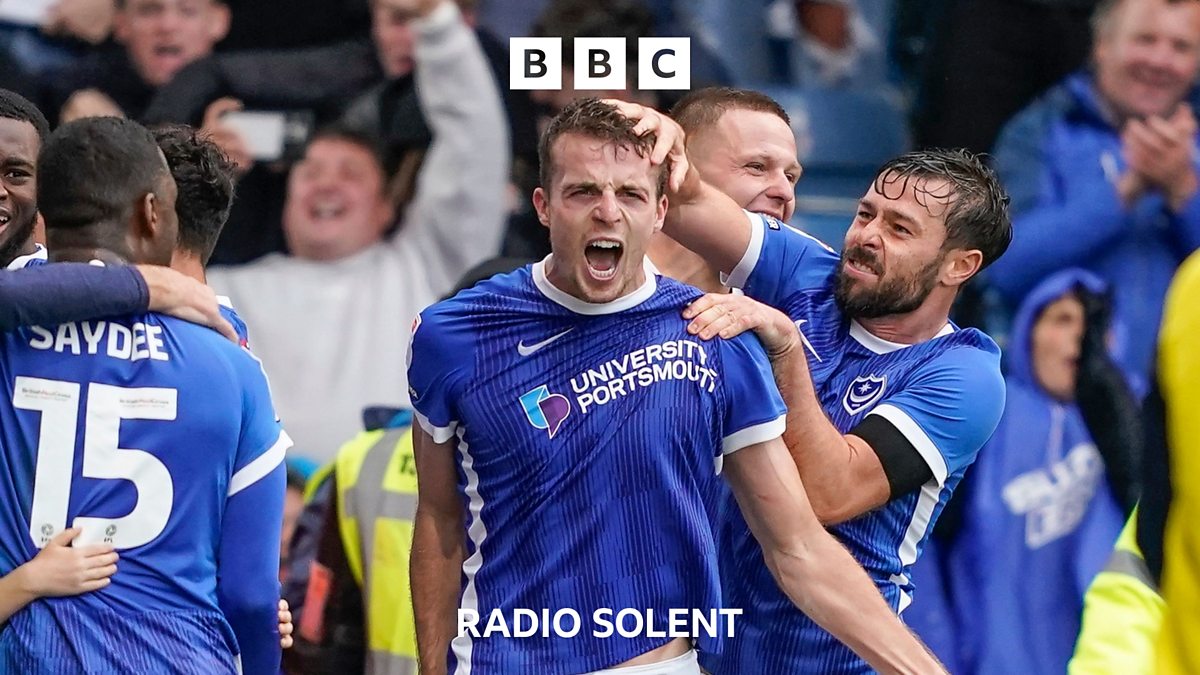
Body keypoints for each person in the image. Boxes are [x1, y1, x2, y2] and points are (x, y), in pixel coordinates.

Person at [408, 97, 943, 675]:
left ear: (662, 210)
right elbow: (440, 518)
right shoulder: (454, 333)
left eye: (631, 194)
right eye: (583, 191)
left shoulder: (718, 336)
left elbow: (799, 547)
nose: (607, 212)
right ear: (543, 205)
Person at [612, 99, 1010, 673]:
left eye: (899, 229)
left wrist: (786, 351)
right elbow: (688, 201)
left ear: (958, 266)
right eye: (866, 213)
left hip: (829, 658)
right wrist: (663, 144)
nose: (867, 236)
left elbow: (829, 493)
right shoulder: (809, 273)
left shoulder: (962, 372)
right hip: (709, 650)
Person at [0, 116, 287, 673]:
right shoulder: (230, 361)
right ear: (154, 213)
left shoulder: (8, 344)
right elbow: (252, 596)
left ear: (43, 213)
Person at [207, 0, 509, 464]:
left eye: (349, 172)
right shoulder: (226, 291)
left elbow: (474, 150)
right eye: (308, 171)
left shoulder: (424, 266)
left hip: (392, 512)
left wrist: (436, 23)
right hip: (268, 512)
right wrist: (198, 172)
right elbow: (145, 268)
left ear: (388, 206)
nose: (326, 183)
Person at [910, 269, 1135, 675]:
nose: (1079, 338)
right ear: (1028, 331)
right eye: (1064, 319)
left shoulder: (1136, 408)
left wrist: (1110, 401)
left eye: (1093, 323)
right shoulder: (990, 407)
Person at [986, 0, 1200, 377]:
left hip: (1177, 402)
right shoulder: (1038, 132)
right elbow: (1003, 265)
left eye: (1181, 47)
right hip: (1056, 403)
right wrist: (1125, 191)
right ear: (1102, 45)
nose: (1160, 60)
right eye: (1144, 40)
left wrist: (1182, 189)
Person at [0, 87, 235, 337]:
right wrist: (146, 285)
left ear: (44, 188)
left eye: (16, 174)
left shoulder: (85, 279)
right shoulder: (134, 288)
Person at [44, 0, 231, 124]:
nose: (167, 25)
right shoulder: (71, 91)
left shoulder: (243, 97)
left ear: (218, 21)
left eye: (187, 11)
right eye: (149, 10)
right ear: (121, 23)